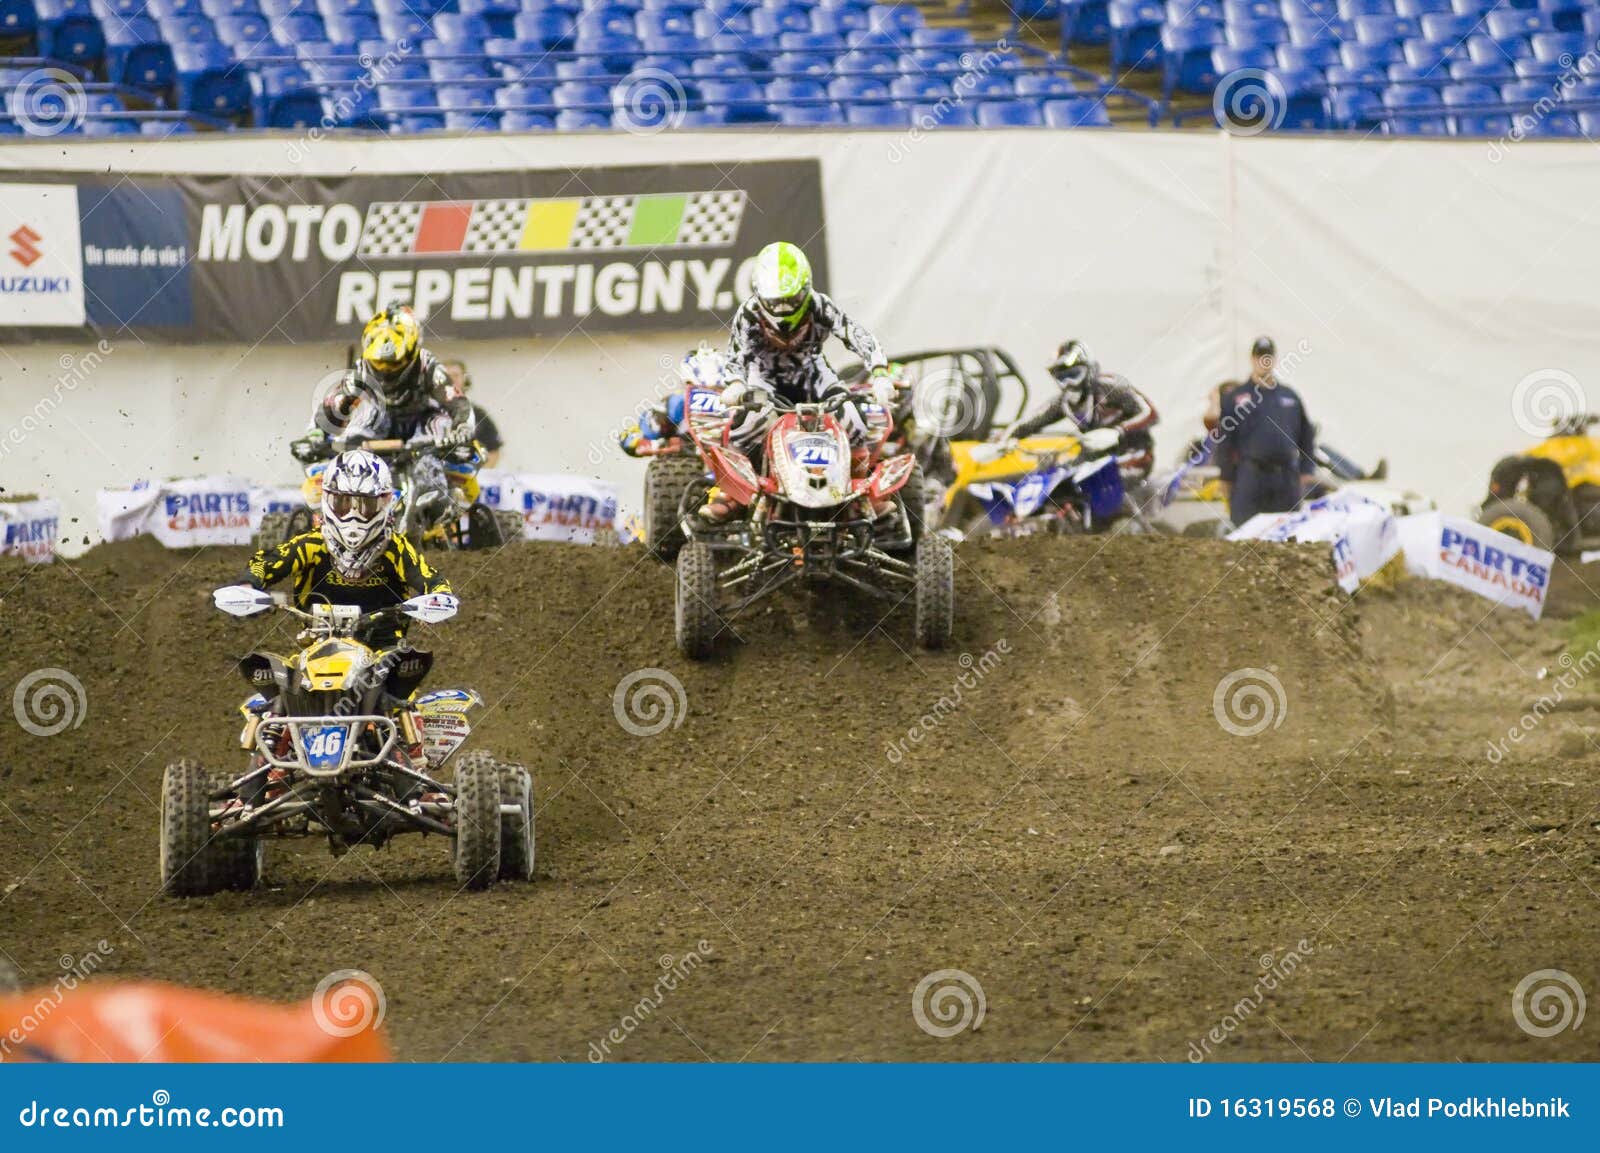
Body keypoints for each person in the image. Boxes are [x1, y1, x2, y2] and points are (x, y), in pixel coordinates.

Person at [708, 241, 897, 521]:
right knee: (745, 425)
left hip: (813, 372)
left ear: (805, 290)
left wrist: (880, 373)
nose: (783, 310)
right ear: (760, 294)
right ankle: (733, 495)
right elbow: (735, 354)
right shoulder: (749, 313)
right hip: (765, 377)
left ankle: (861, 494)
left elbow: (856, 335)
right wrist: (735, 384)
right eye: (775, 302)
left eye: (791, 301)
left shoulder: (820, 305)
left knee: (855, 419)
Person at [243, 449, 455, 649]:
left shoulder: (395, 548)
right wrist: (248, 585)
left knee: (410, 671)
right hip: (316, 653)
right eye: (343, 504)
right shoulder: (312, 544)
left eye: (366, 506)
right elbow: (267, 562)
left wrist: (436, 599)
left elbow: (430, 579)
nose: (354, 516)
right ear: (327, 500)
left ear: (385, 503)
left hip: (384, 656)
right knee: (267, 677)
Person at [303, 305, 477, 530]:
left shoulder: (428, 367)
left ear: (412, 349)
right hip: (380, 422)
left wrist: (462, 427)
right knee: (353, 438)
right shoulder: (362, 369)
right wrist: (316, 435)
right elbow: (334, 405)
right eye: (380, 363)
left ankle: (437, 501)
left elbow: (456, 402)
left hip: (423, 423)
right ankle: (345, 509)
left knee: (434, 445)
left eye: (393, 363)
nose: (386, 370)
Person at [1007, 339, 1159, 482]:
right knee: (1057, 478)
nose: (1068, 383)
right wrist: (1003, 440)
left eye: (1074, 375)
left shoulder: (1111, 386)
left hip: (1133, 453)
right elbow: (1031, 421)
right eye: (1062, 378)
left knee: (1100, 482)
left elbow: (1150, 413)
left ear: (1089, 369)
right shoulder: (1064, 402)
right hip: (1094, 457)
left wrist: (1118, 431)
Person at [1214, 336, 1317, 526]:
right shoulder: (1236, 398)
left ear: (1274, 359)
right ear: (1252, 359)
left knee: (1286, 533)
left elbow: (1306, 435)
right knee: (1246, 532)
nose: (1263, 361)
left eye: (1268, 356)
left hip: (1285, 478)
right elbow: (1225, 440)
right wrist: (1225, 476)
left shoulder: (1290, 397)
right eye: (1259, 356)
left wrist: (1306, 470)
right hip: (1251, 476)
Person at [442, 359, 504, 468]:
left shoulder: (479, 415)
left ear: (465, 380)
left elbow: (493, 451)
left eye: (456, 375)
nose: (451, 380)